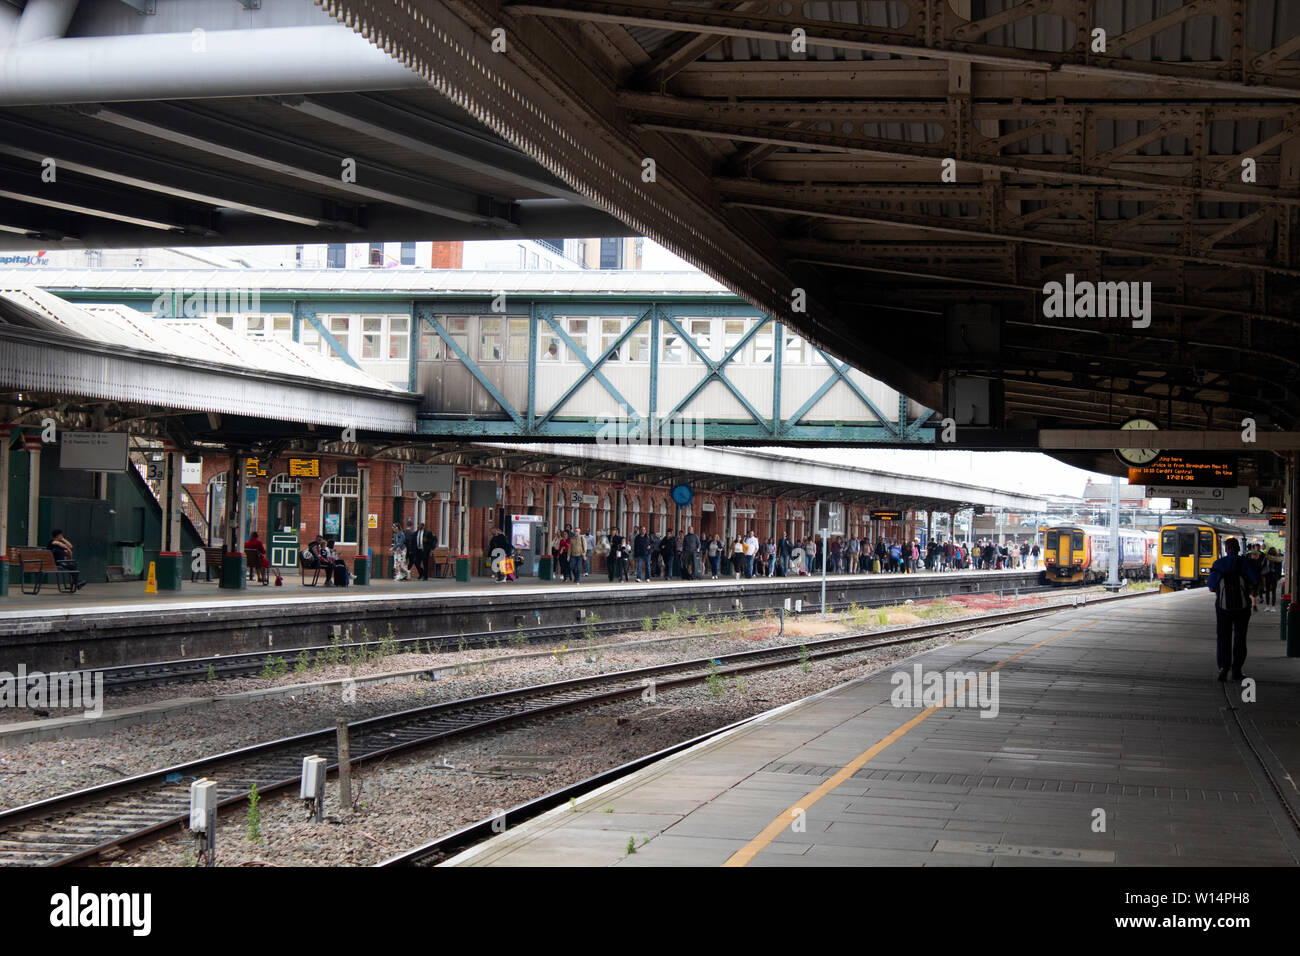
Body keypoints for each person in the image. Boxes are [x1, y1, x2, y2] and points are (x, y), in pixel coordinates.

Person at [1207, 538, 1259, 682]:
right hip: (1242, 607)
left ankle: (1224, 668)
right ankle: (1237, 670)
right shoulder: (1244, 562)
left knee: (1223, 637)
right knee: (1240, 638)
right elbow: (1254, 580)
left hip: (1223, 606)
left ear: (1226, 549)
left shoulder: (1219, 564)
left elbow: (1211, 586)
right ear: (1238, 549)